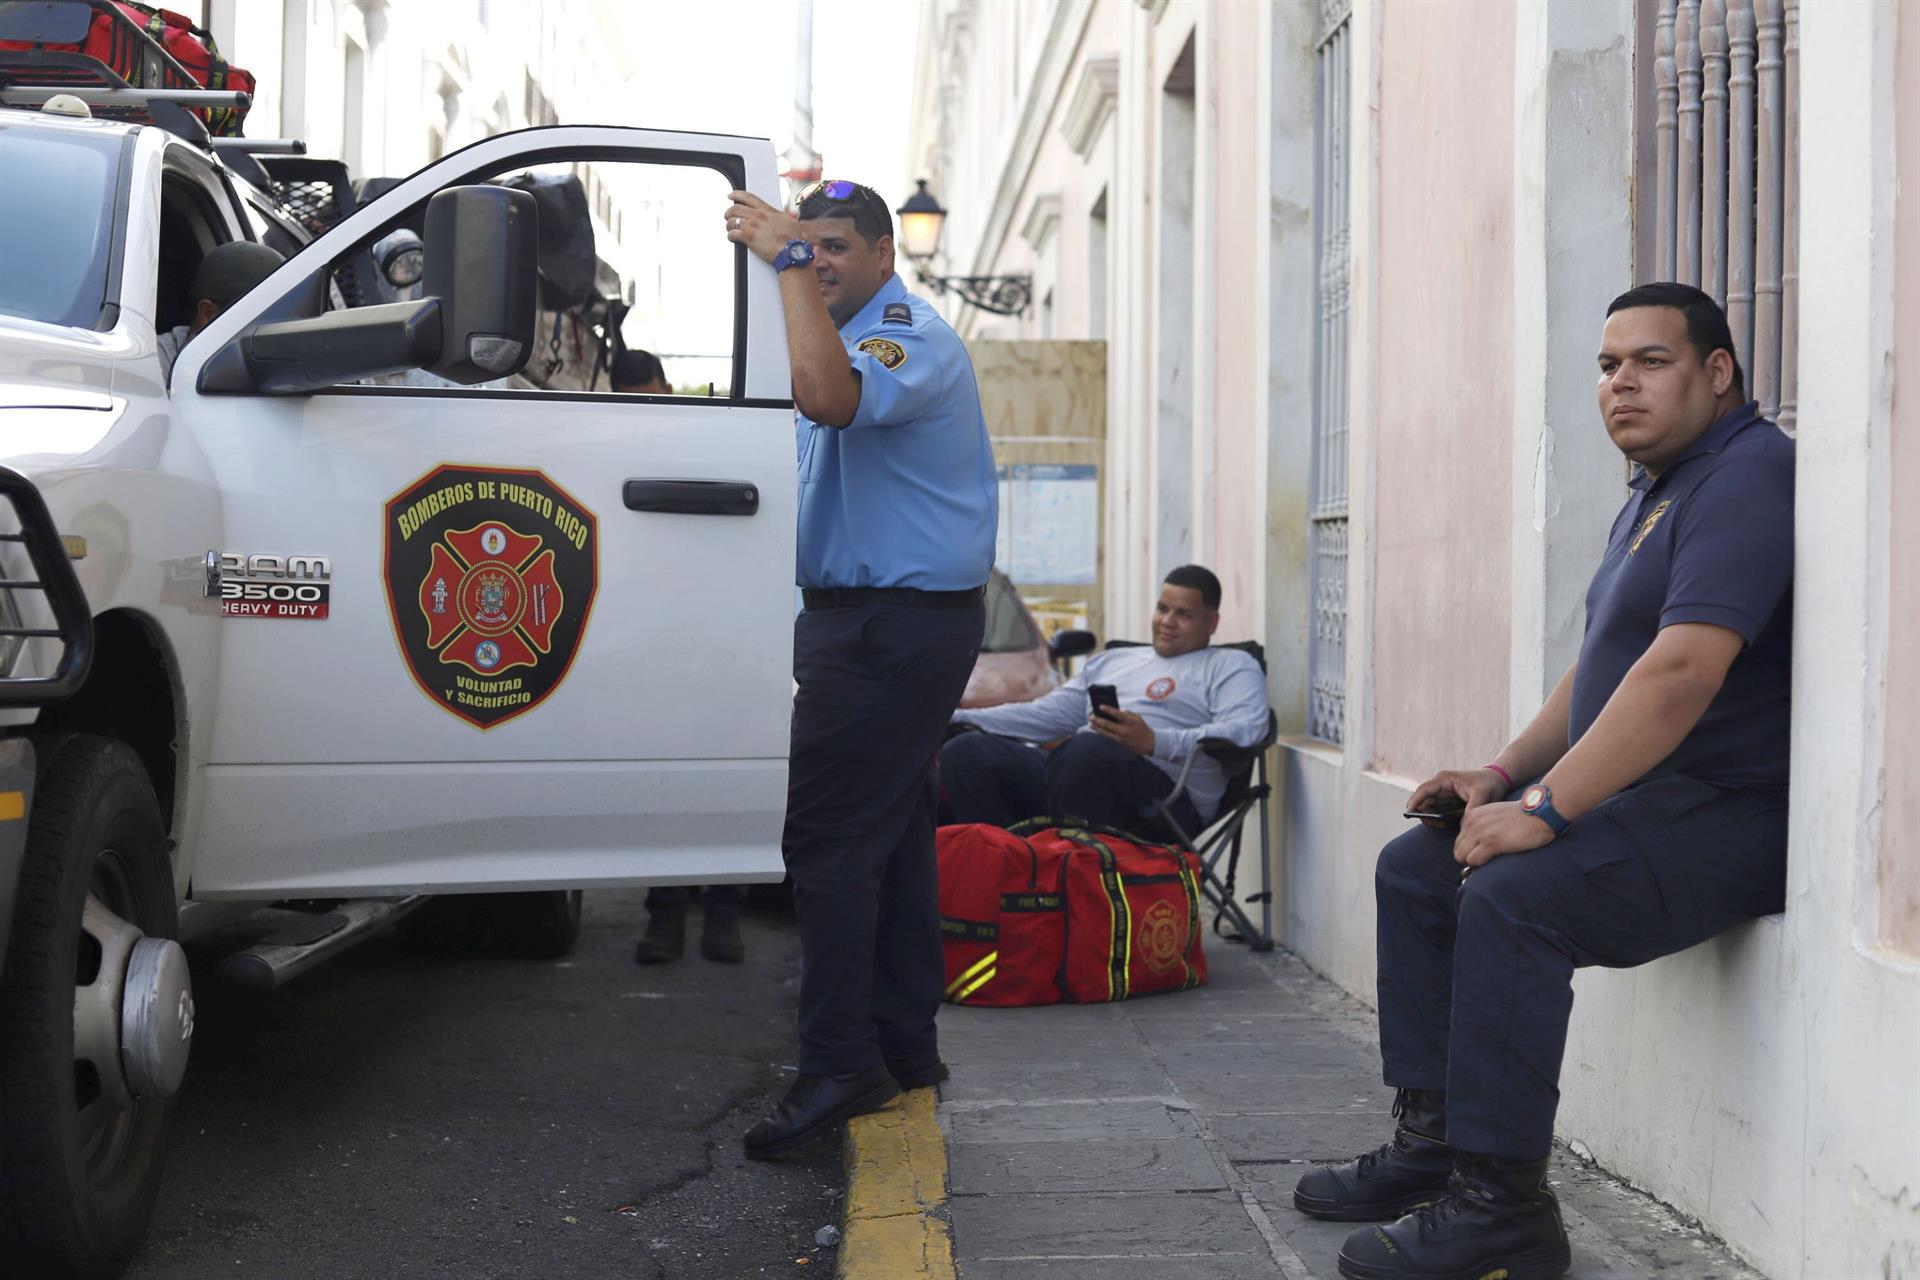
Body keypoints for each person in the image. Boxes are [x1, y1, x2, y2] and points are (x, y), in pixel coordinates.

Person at [1293, 283, 1793, 1280]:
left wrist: (1549, 808)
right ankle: (1432, 1147)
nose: (1620, 384)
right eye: (1608, 366)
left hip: (1729, 815)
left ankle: (1502, 1207)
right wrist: (1502, 774)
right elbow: (1601, 666)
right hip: (1650, 799)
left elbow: (1682, 669)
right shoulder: (1658, 490)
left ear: (1718, 371)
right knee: (1420, 866)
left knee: (1516, 900)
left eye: (1650, 360)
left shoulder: (1747, 475)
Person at [722, 180, 996, 1159]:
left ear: (885, 253)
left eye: (836, 244)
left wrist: (784, 260)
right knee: (890, 834)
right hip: (869, 622)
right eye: (811, 245)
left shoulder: (903, 334)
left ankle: (839, 1063)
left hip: (890, 627)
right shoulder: (832, 334)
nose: (820, 259)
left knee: (830, 843)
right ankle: (898, 1043)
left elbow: (829, 398)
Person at [940, 565, 1269, 835]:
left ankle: (1064, 876)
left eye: (1184, 614)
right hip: (1079, 776)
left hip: (1163, 803)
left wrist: (1154, 741)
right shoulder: (1115, 661)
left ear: (1211, 622)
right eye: (1162, 609)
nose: (1167, 622)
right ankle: (1010, 873)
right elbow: (1041, 716)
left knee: (1088, 749)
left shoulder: (1232, 665)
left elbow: (1246, 731)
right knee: (966, 752)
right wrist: (952, 719)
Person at [156, 240, 284, 383]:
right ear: (209, 313)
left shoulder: (269, 370)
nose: (268, 334)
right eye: (260, 321)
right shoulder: (155, 362)